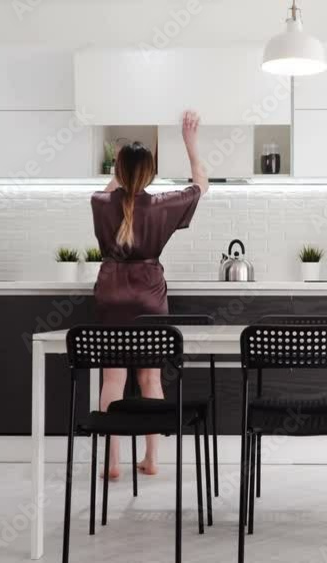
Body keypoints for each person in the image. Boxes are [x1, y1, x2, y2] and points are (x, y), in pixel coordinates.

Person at [90, 110, 209, 479]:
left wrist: (120, 172)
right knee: (150, 379)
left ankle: (112, 463)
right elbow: (202, 184)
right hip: (149, 297)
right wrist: (189, 144)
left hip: (110, 293)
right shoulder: (163, 204)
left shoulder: (99, 201)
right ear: (152, 175)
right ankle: (152, 458)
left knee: (112, 380)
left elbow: (113, 192)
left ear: (118, 170)